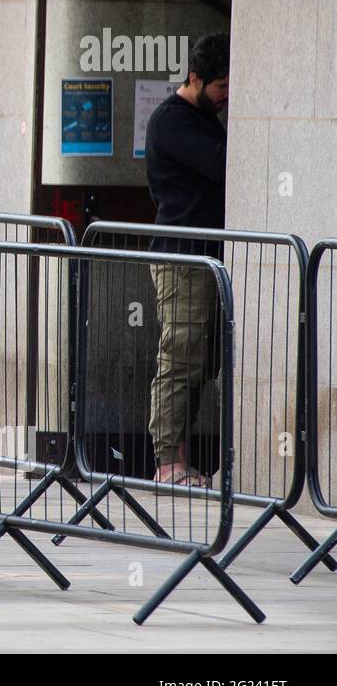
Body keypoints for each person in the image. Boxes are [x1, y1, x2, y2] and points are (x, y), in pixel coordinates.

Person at [144, 31, 229, 488]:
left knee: (200, 361)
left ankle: (181, 460)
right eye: (220, 87)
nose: (225, 97)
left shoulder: (201, 117)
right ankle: (168, 463)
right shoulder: (172, 122)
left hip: (204, 259)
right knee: (180, 356)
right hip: (182, 260)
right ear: (195, 79)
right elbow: (223, 166)